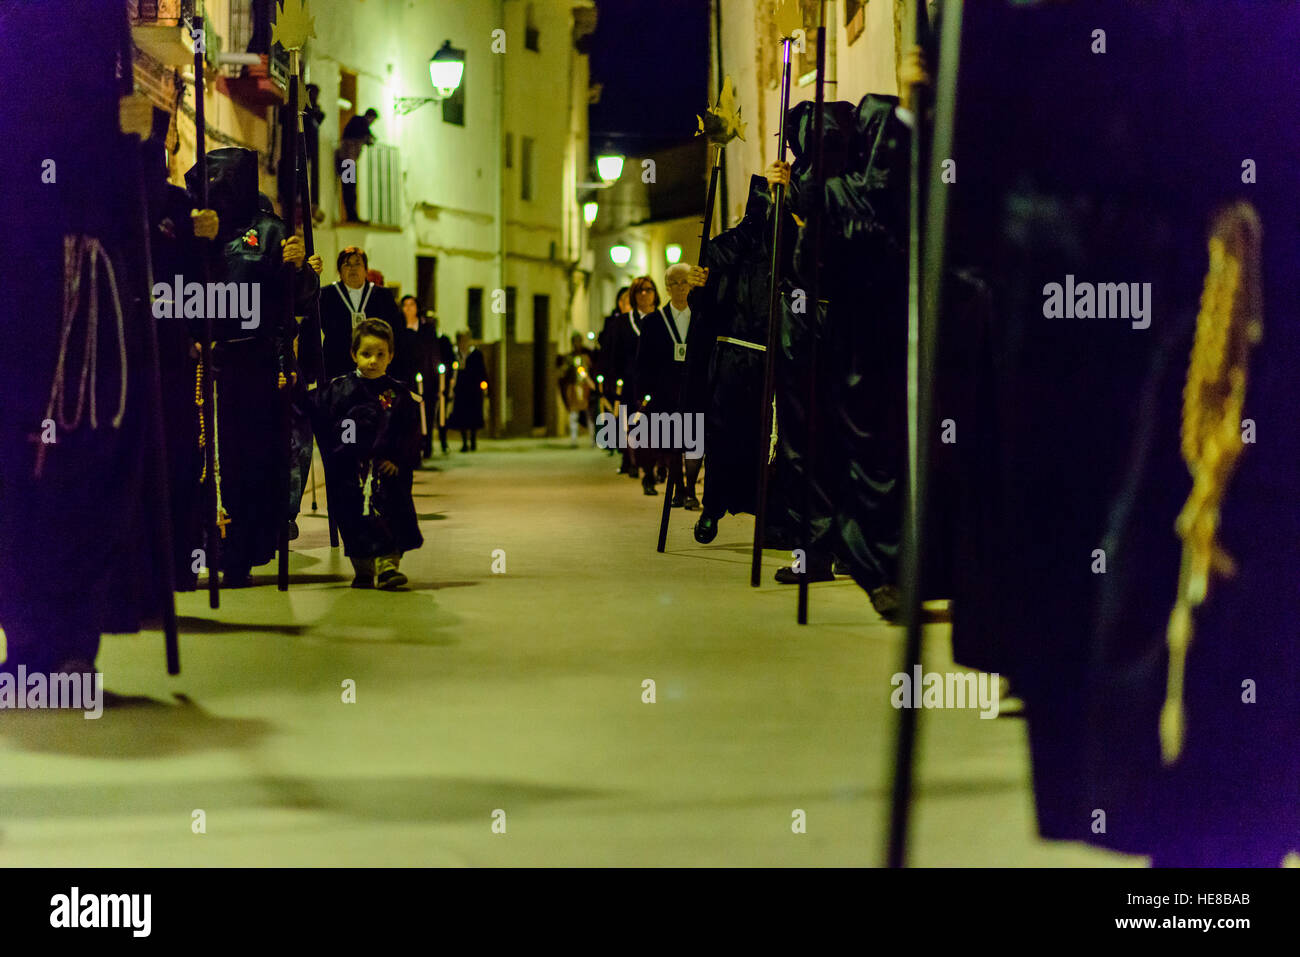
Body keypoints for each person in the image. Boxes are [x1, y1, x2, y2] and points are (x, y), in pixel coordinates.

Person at [183, 147, 319, 587]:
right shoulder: (198, 229)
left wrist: (300, 269)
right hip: (202, 364)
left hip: (252, 363)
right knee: (200, 460)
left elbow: (298, 300)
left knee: (248, 460)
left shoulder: (273, 233)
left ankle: (243, 548)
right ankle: (201, 546)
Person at [309, 319, 423, 589]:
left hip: (387, 471)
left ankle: (387, 566)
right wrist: (288, 388)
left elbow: (410, 432)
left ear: (391, 356)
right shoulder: (338, 391)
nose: (373, 361)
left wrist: (398, 459)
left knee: (390, 515)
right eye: (366, 354)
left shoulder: (398, 394)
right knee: (352, 518)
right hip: (350, 472)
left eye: (380, 354)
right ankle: (362, 568)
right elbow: (312, 411)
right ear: (354, 354)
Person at [630, 265, 708, 499]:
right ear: (667, 288)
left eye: (686, 282)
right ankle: (678, 489)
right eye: (676, 283)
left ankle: (691, 489)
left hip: (695, 388)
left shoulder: (702, 317)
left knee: (695, 440)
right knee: (672, 442)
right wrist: (643, 394)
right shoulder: (654, 321)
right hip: (666, 390)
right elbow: (642, 361)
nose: (682, 288)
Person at [319, 246, 401, 381]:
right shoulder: (326, 295)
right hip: (337, 367)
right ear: (339, 271)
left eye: (357, 264)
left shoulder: (382, 295)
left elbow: (396, 332)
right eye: (347, 265)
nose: (352, 268)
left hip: (375, 367)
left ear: (366, 270)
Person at [599, 285, 641, 477]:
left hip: (639, 378)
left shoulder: (643, 321)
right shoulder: (616, 323)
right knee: (624, 420)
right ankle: (628, 458)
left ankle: (641, 459)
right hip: (624, 380)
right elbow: (609, 352)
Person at [446, 330, 488, 451]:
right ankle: (465, 442)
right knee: (462, 417)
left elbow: (482, 371)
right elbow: (452, 373)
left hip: (473, 389)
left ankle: (473, 441)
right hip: (461, 390)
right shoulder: (456, 355)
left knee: (473, 416)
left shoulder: (475, 354)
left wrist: (484, 385)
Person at [336, 108, 378, 223]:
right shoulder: (361, 122)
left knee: (349, 188)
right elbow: (370, 139)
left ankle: (352, 215)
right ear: (370, 117)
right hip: (348, 161)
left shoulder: (357, 122)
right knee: (350, 189)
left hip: (347, 161)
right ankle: (351, 216)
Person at [556, 332, 595, 447]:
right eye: (575, 342)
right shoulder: (570, 357)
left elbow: (591, 370)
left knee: (589, 414)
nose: (577, 344)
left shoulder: (588, 355)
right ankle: (574, 439)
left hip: (586, 388)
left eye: (578, 341)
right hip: (573, 387)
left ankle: (592, 439)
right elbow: (564, 373)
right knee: (574, 414)